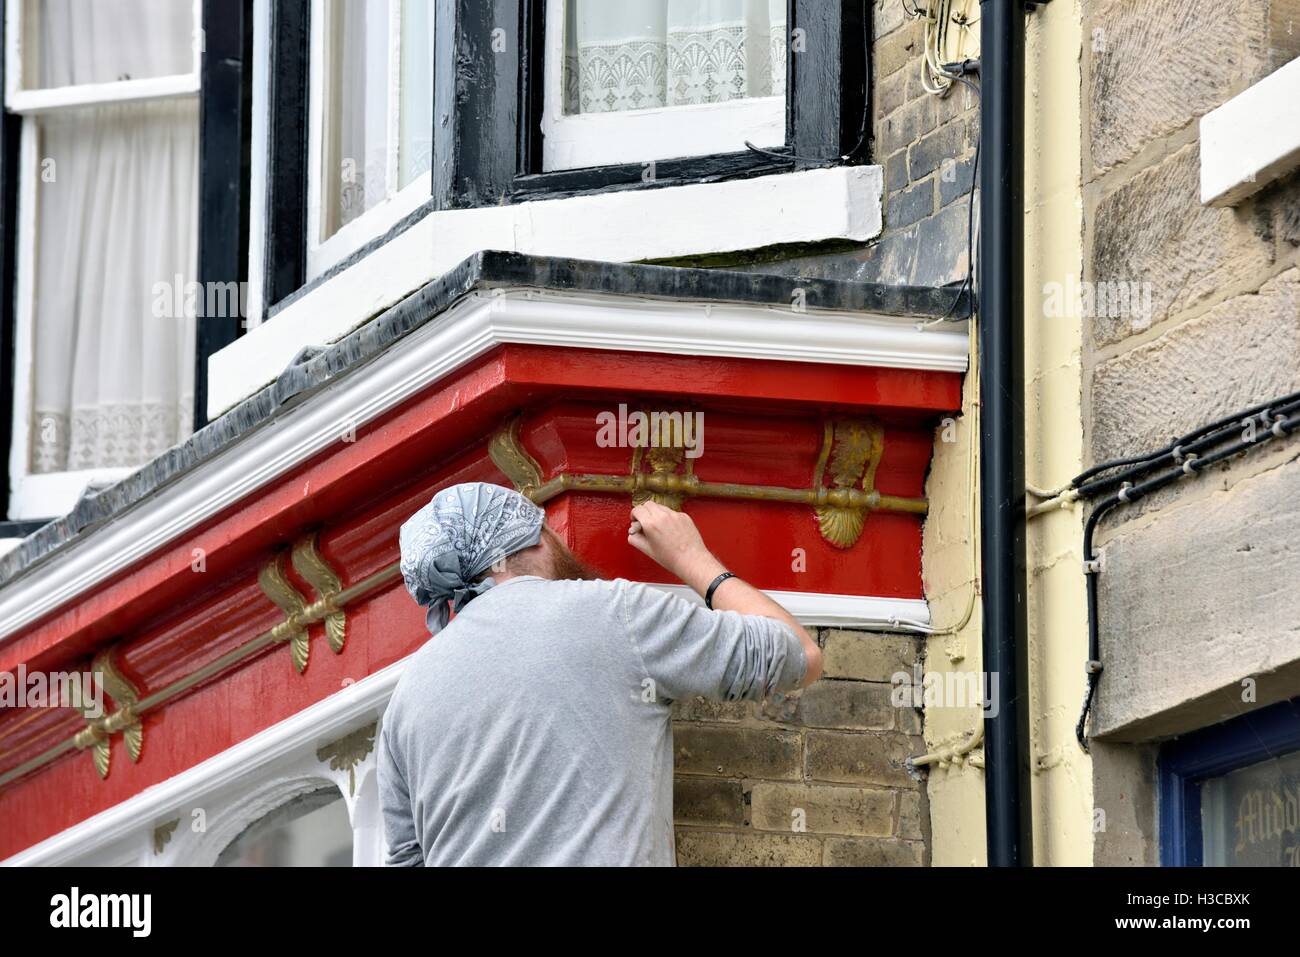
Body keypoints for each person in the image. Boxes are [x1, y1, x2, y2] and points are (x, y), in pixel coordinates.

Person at [377, 481, 822, 866]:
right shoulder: (614, 613)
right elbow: (798, 654)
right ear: (532, 541)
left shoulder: (404, 703)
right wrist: (692, 558)